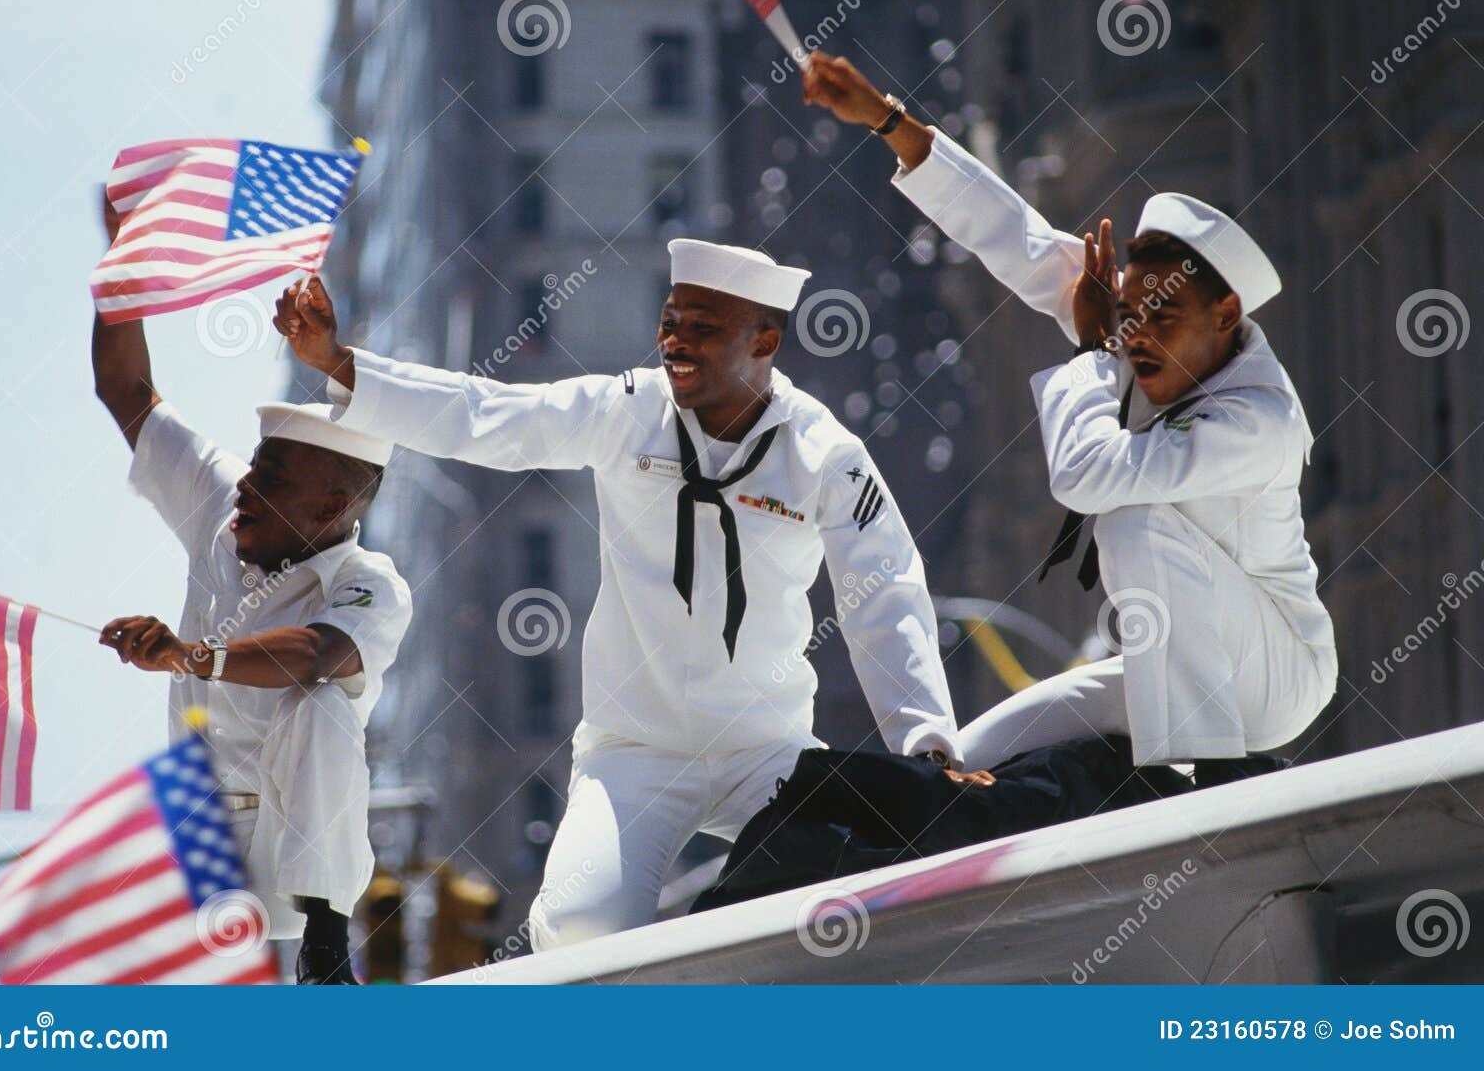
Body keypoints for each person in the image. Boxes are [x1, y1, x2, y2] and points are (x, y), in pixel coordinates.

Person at [274, 239, 987, 950]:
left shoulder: (824, 453)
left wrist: (925, 741)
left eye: (703, 327)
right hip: (634, 753)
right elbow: (484, 413)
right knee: (578, 933)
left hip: (765, 751)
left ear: (764, 340)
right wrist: (343, 365)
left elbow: (884, 590)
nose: (675, 340)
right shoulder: (625, 410)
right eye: (670, 320)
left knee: (862, 895)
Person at [801, 53, 1337, 772]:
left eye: (1161, 316)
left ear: (1227, 313)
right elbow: (1016, 239)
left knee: (1133, 512)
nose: (1137, 334)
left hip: (1278, 675)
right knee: (972, 765)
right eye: (1129, 312)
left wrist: (1092, 344)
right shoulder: (1148, 332)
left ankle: (1209, 795)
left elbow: (1089, 477)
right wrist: (888, 121)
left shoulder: (1258, 420)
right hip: (1187, 657)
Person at [91, 195, 412, 983]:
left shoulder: (371, 584)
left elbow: (314, 654)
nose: (242, 491)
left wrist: (191, 654)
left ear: (331, 508)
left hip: (293, 841)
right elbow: (128, 392)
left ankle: (329, 948)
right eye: (251, 468)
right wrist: (122, 270)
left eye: (268, 481)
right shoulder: (219, 496)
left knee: (321, 706)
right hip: (204, 843)